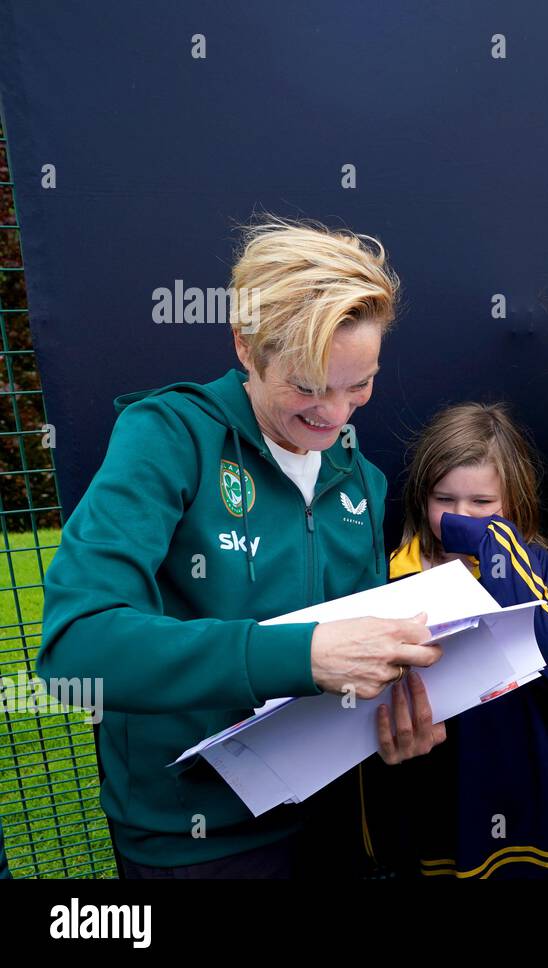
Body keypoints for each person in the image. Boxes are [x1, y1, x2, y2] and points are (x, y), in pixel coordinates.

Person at [38, 217, 444, 878]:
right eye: (308, 387)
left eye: (359, 384)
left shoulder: (360, 477)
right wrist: (298, 654)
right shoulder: (167, 436)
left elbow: (353, 663)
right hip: (195, 837)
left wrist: (395, 718)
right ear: (246, 346)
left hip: (335, 815)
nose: (337, 416)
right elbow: (76, 650)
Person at [359, 402, 548, 878]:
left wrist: (494, 546)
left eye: (481, 504)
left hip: (531, 794)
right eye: (444, 500)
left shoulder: (537, 565)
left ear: (511, 502)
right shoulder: (392, 576)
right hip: (437, 794)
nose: (459, 519)